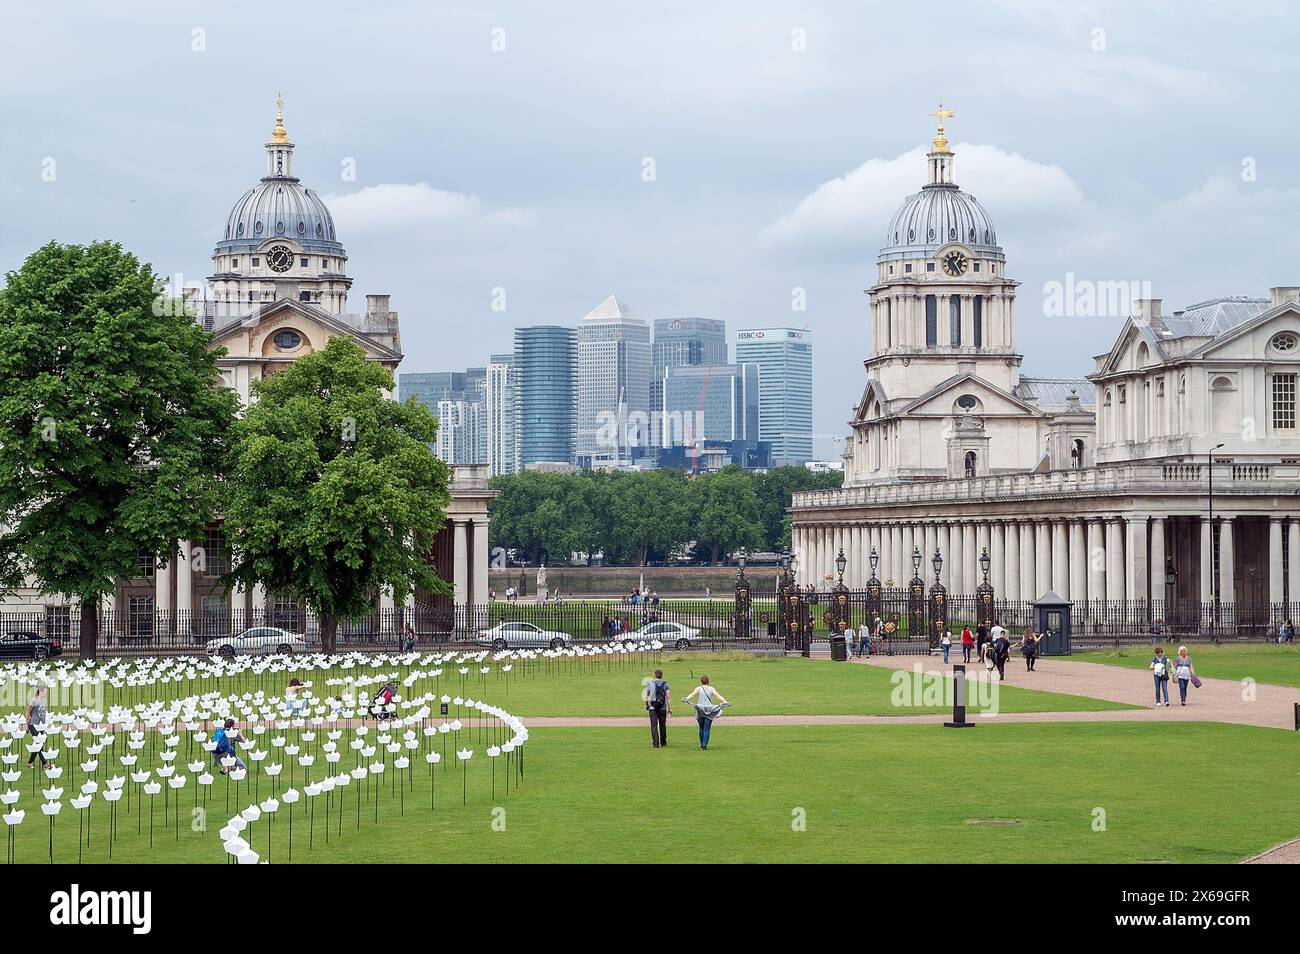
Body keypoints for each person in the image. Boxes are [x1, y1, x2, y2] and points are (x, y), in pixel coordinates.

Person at [683, 675, 729, 750]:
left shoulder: (698, 688)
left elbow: (692, 694)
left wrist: (686, 698)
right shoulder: (711, 689)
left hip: (700, 709)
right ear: (708, 681)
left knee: (701, 727)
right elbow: (718, 696)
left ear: (701, 681)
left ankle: (701, 744)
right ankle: (704, 746)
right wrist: (725, 702)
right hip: (709, 710)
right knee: (707, 728)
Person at [644, 669, 671, 748]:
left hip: (652, 707)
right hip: (662, 707)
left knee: (654, 725)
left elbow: (646, 696)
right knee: (663, 725)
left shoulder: (650, 683)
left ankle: (655, 743)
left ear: (655, 675)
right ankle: (663, 742)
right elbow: (668, 697)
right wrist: (670, 709)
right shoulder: (665, 684)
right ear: (661, 676)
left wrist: (647, 705)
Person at [25, 686, 48, 769]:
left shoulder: (43, 701)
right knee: (39, 743)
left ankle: (30, 762)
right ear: (40, 692)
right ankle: (45, 763)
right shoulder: (34, 701)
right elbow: (28, 712)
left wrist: (44, 728)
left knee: (38, 744)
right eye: (45, 691)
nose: (46, 693)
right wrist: (27, 725)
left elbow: (43, 715)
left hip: (41, 726)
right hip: (33, 725)